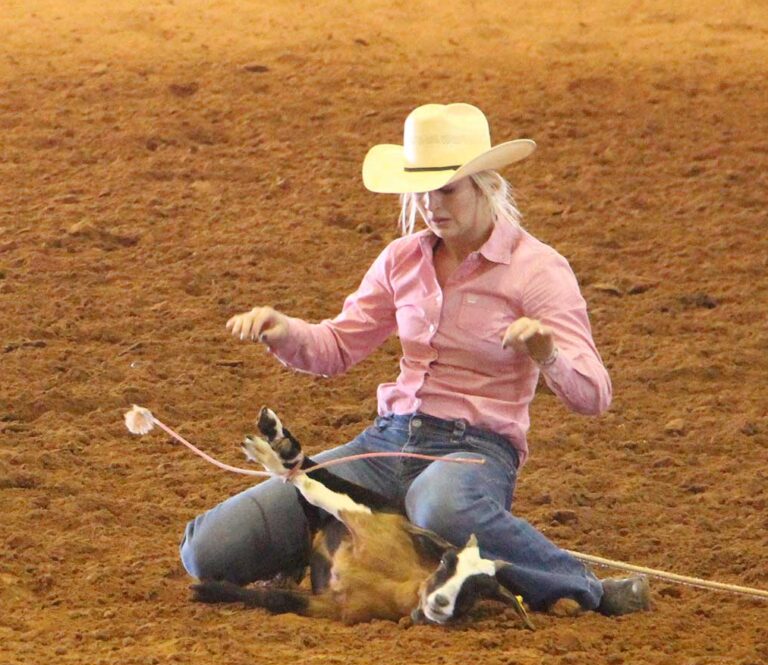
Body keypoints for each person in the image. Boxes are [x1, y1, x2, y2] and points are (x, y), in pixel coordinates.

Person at [180, 103, 650, 616]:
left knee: (441, 503)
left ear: (485, 185)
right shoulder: (401, 259)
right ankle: (369, 550)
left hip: (473, 452)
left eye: (446, 189)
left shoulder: (538, 270)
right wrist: (286, 330)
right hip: (384, 445)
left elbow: (593, 394)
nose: (431, 203)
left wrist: (548, 354)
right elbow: (338, 347)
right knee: (208, 551)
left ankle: (588, 588)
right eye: (422, 189)